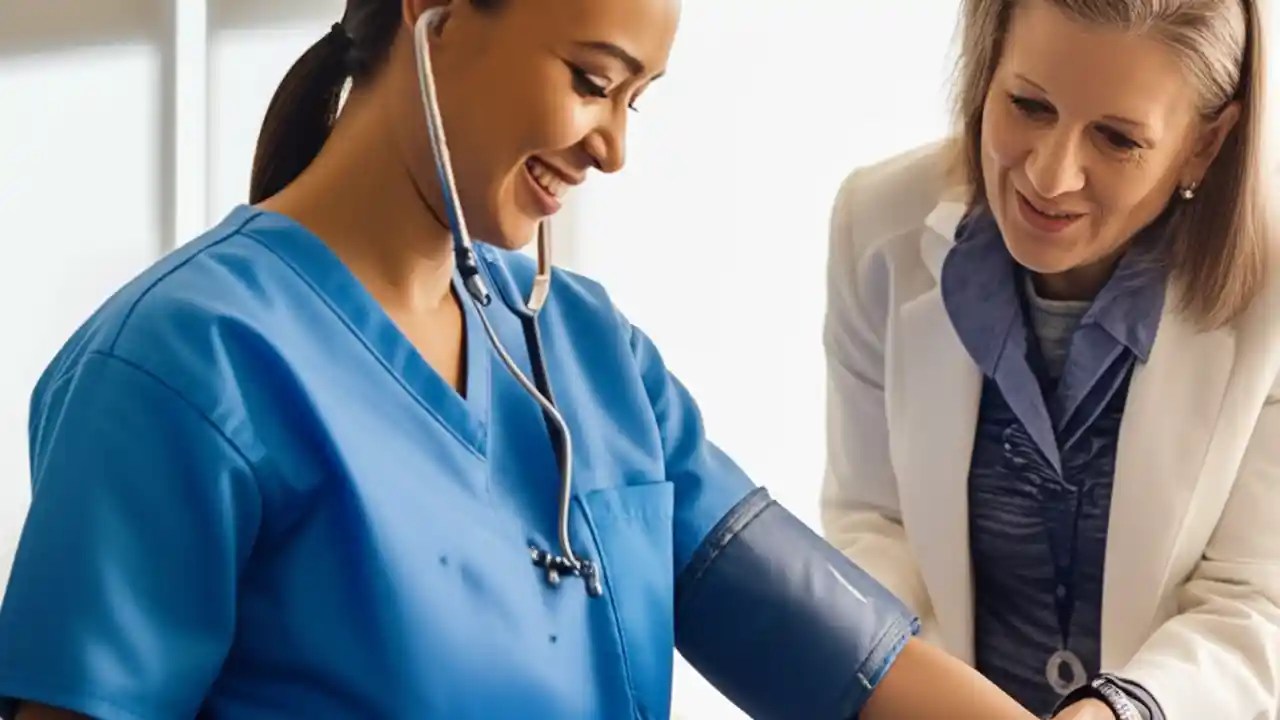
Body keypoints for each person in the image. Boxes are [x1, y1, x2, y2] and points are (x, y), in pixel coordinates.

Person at [0, 1, 1040, 719]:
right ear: (433, 17)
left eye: (636, 99)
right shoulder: (183, 366)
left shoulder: (592, 360)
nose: (613, 148)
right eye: (591, 81)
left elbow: (850, 666)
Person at [821, 0, 1277, 718]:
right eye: (1029, 105)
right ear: (985, 71)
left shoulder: (1273, 293)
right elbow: (875, 527)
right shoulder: (875, 224)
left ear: (1206, 143)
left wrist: (1116, 711)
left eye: (1118, 139)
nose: (1051, 175)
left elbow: (1257, 607)